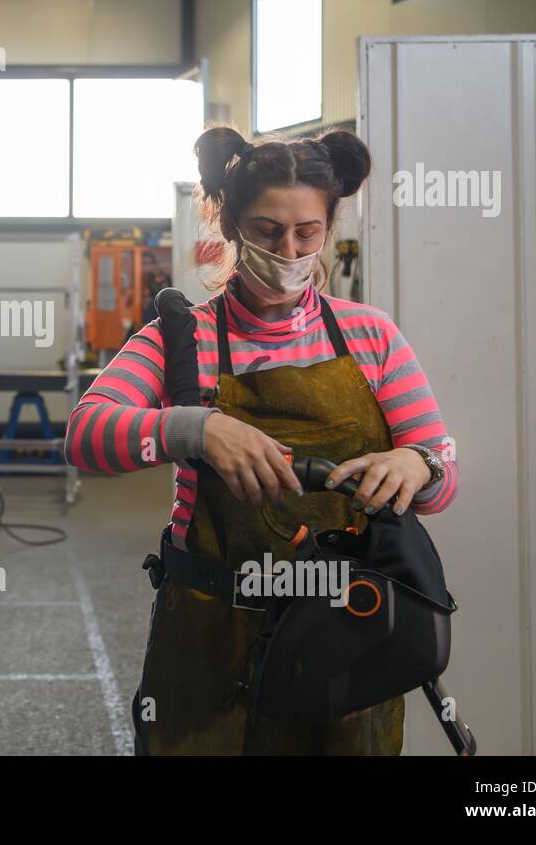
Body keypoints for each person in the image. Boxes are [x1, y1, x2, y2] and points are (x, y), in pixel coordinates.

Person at [64, 126, 459, 755]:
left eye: (308, 232)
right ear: (228, 228)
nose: (290, 249)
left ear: (328, 229)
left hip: (343, 636)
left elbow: (441, 473)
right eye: (267, 230)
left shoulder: (370, 337)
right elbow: (86, 436)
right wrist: (195, 427)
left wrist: (417, 463)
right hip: (209, 628)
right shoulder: (179, 340)